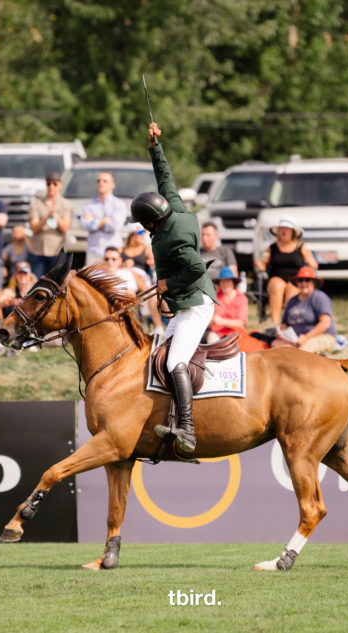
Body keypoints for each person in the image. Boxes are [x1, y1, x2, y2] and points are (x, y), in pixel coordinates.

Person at [131, 121, 217, 453]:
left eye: (143, 225)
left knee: (173, 361)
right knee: (158, 357)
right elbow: (165, 178)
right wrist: (155, 146)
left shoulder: (176, 236)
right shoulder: (176, 208)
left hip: (196, 302)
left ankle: (188, 431)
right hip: (184, 302)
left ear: (152, 222)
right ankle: (167, 418)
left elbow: (196, 267)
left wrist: (168, 283)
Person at [255, 216, 317, 326]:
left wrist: (310, 261)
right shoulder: (271, 248)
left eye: (287, 228)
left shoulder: (301, 247)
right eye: (281, 228)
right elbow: (263, 265)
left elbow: (313, 264)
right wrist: (259, 264)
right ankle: (274, 323)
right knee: (277, 285)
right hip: (276, 277)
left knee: (292, 288)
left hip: (296, 279)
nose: (283, 230)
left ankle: (288, 322)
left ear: (292, 232)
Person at [270, 266, 337, 355]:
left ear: (313, 282)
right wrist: (283, 334)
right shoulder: (292, 301)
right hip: (295, 340)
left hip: (321, 336)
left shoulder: (319, 297)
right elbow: (284, 324)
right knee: (275, 345)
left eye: (307, 280)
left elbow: (325, 324)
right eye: (300, 280)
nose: (303, 283)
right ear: (297, 283)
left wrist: (306, 337)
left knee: (304, 349)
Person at [98, 246, 162, 333]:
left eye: (113, 259)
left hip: (119, 308)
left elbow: (130, 295)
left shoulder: (126, 274)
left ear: (120, 260)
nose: (110, 262)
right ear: (103, 260)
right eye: (107, 259)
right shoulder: (95, 274)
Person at [27, 171, 73, 278]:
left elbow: (65, 228)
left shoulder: (66, 204)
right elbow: (34, 228)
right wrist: (47, 217)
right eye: (48, 184)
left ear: (60, 185)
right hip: (38, 250)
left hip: (56, 251)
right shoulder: (36, 203)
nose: (51, 187)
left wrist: (55, 215)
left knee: (57, 284)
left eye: (54, 184)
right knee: (36, 283)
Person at [81, 171, 128, 266]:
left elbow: (115, 227)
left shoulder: (119, 204)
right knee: (91, 280)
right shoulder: (90, 204)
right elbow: (84, 224)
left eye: (105, 181)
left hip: (112, 253)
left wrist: (93, 222)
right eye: (98, 181)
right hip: (93, 251)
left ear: (112, 185)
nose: (101, 183)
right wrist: (104, 221)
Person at [206, 266, 248, 344]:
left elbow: (241, 323)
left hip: (236, 334)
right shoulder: (214, 298)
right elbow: (207, 323)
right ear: (219, 283)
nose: (225, 284)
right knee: (211, 337)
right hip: (217, 334)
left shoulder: (242, 298)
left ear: (233, 282)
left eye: (228, 281)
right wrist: (212, 322)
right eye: (223, 281)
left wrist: (221, 321)